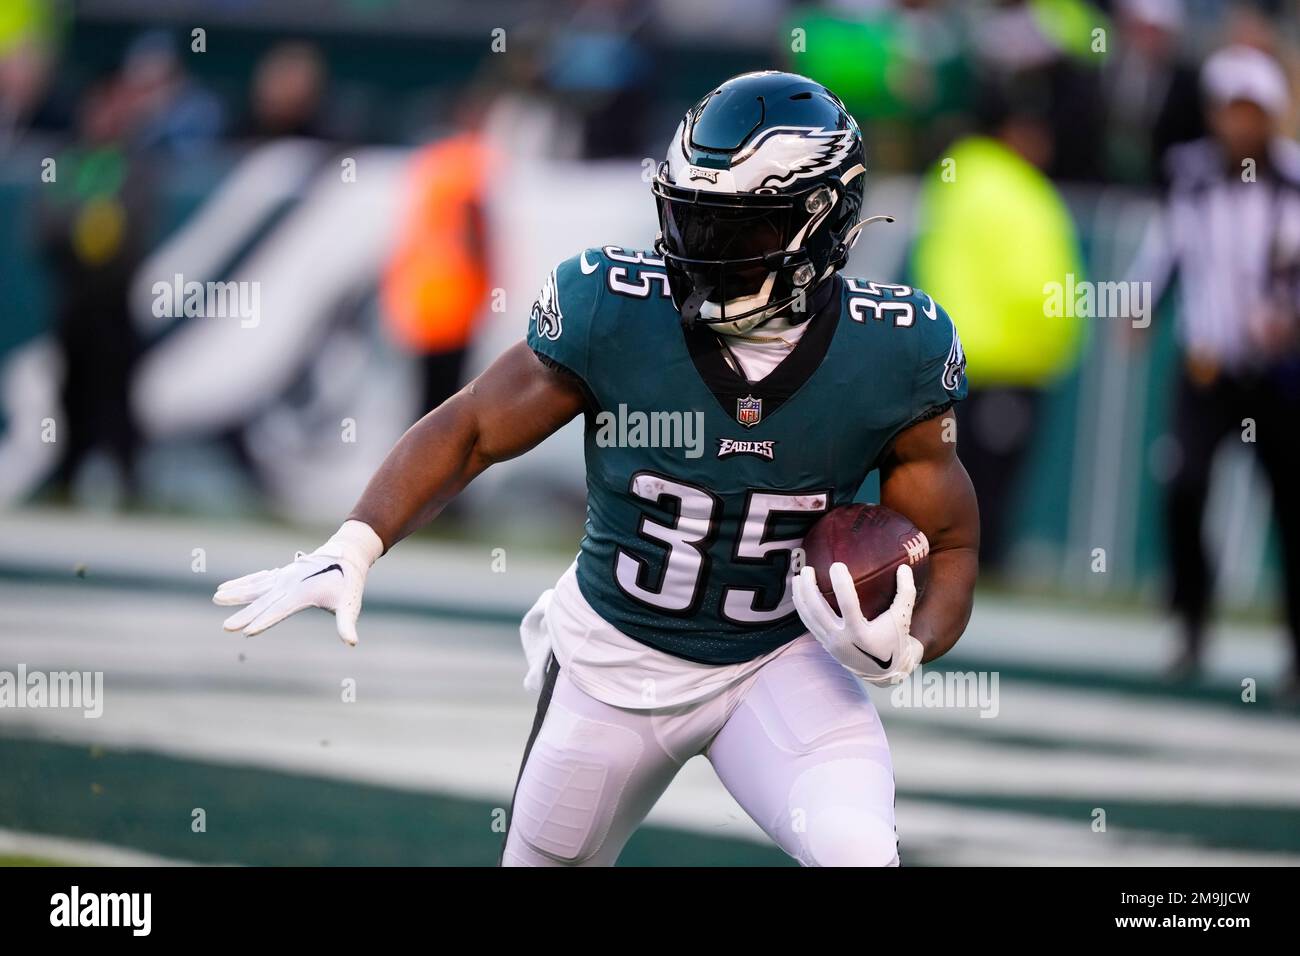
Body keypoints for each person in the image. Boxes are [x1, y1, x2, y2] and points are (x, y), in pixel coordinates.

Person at [214, 72, 979, 866]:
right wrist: (358, 539)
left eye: (732, 230)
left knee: (861, 856)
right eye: (688, 219)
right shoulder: (617, 308)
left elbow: (950, 542)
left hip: (781, 661)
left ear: (820, 224)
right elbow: (473, 428)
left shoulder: (895, 350)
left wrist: (911, 643)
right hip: (615, 662)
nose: (697, 250)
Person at [1131, 45, 1300, 693]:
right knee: (1183, 486)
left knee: (1289, 508)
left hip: (1280, 378)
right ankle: (1191, 627)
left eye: (1249, 111)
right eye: (1228, 110)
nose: (1238, 125)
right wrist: (1138, 305)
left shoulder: (1291, 182)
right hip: (1206, 370)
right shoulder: (1189, 175)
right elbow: (1164, 249)